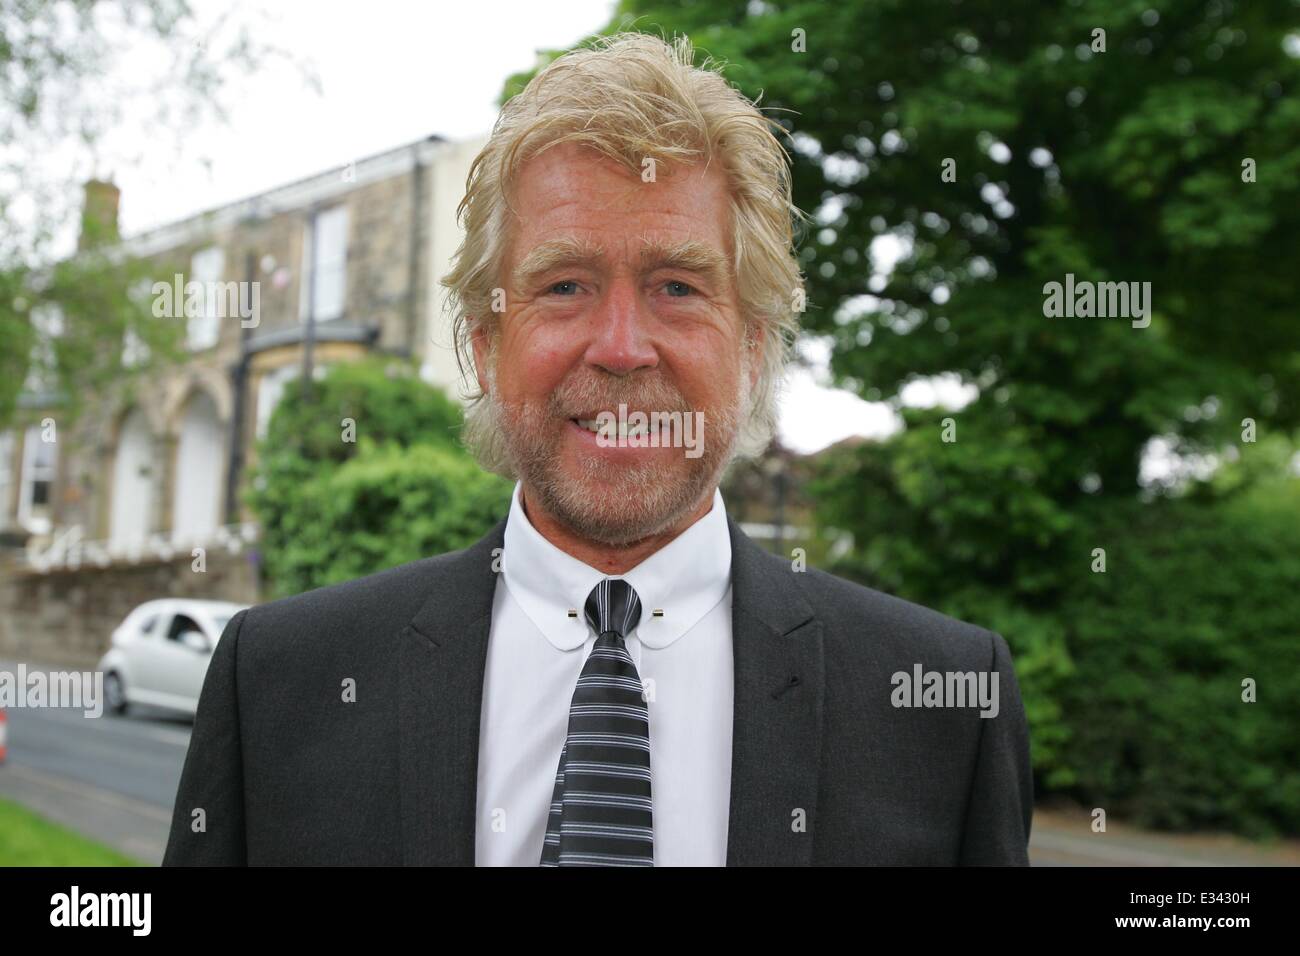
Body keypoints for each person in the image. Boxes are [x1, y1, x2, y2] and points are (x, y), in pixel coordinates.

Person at [163, 32, 1032, 867]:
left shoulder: (943, 708)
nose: (621, 346)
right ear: (485, 344)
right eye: (565, 285)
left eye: (679, 286)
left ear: (756, 347)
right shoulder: (278, 683)